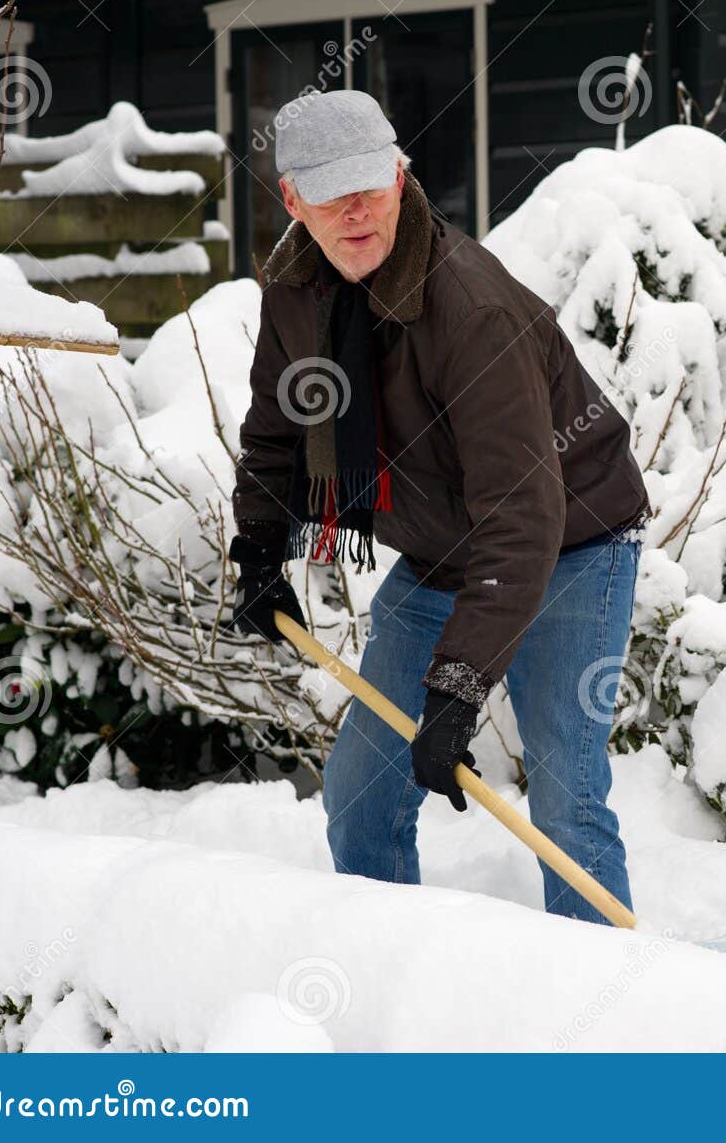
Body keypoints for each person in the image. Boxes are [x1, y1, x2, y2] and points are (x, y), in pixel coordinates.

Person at [226, 89, 651, 924]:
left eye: (371, 186)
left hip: (572, 541)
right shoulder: (296, 295)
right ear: (291, 199)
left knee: (565, 799)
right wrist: (259, 548)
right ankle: (393, 979)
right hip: (445, 553)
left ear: (399, 172)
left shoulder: (469, 308)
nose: (356, 212)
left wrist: (457, 688)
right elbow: (277, 432)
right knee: (358, 794)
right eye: (331, 191)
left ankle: (612, 1011)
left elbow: (525, 517)